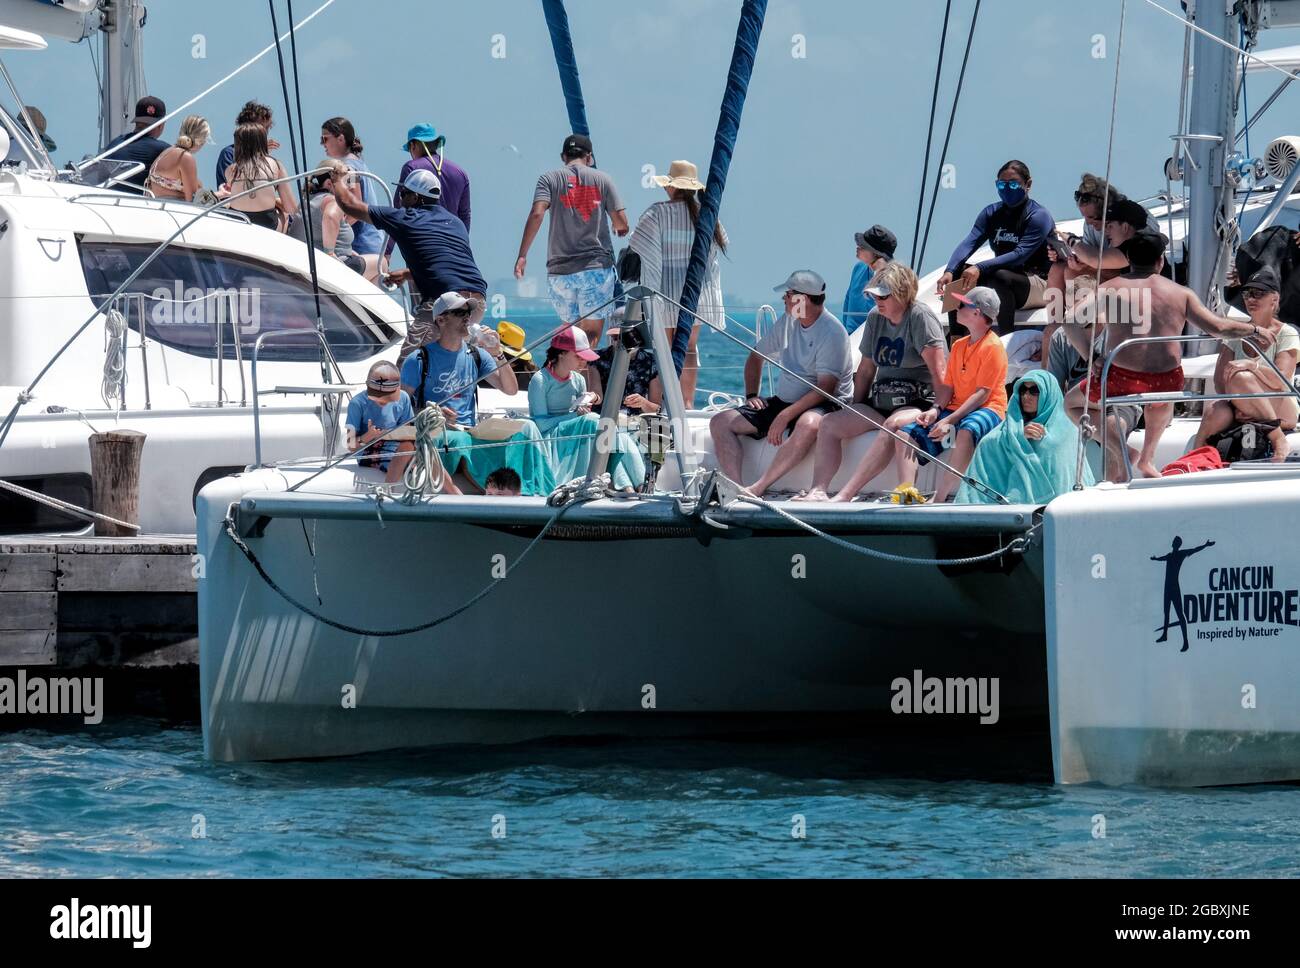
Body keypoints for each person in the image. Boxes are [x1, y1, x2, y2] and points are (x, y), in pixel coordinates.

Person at [1063, 227, 1274, 479]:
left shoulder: (1110, 288)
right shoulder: (1181, 292)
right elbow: (1218, 327)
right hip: (1166, 379)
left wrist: (1091, 358)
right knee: (1162, 398)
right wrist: (1252, 329)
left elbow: (1069, 320)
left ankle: (1122, 450)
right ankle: (1147, 458)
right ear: (1160, 261)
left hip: (1120, 377)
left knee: (1071, 404)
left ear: (1128, 259)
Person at [799, 262, 946, 502]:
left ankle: (846, 494)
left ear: (901, 293)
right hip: (881, 398)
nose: (876, 300)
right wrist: (855, 406)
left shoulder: (920, 317)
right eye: (873, 295)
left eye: (883, 295)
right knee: (829, 424)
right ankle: (818, 490)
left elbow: (939, 372)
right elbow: (866, 369)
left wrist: (937, 409)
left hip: (918, 401)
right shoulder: (875, 317)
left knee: (893, 425)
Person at [708, 270, 853, 496]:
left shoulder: (832, 332)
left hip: (826, 403)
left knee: (808, 423)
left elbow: (826, 389)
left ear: (802, 299)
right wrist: (751, 396)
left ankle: (758, 488)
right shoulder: (788, 320)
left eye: (788, 294)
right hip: (784, 401)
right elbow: (756, 357)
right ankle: (736, 487)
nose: (783, 299)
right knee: (720, 422)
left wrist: (784, 416)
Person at [399, 292, 552, 496]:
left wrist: (497, 352)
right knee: (461, 441)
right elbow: (399, 408)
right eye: (460, 312)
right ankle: (491, 493)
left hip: (471, 429)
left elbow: (510, 389)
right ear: (441, 319)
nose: (467, 317)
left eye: (469, 312)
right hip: (439, 432)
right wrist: (432, 413)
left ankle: (534, 492)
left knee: (525, 429)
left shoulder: (477, 355)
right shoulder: (419, 358)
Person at [332, 168, 487, 361]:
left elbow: (349, 205)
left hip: (447, 302)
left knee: (407, 365)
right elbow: (446, 263)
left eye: (403, 194)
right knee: (443, 360)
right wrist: (407, 274)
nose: (400, 199)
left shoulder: (404, 218)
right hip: (477, 302)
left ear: (415, 198)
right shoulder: (455, 223)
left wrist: (338, 180)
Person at [621, 159, 728, 406]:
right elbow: (719, 244)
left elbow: (637, 243)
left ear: (671, 186)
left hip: (666, 290)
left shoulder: (657, 212)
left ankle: (663, 403)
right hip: (695, 292)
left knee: (665, 350)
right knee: (689, 348)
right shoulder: (707, 215)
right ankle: (687, 402)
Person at [891, 287, 1008, 503]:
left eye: (962, 304)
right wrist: (935, 411)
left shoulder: (993, 346)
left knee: (966, 431)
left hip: (990, 408)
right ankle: (907, 493)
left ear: (977, 312)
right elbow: (948, 387)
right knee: (903, 435)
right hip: (956, 409)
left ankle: (940, 497)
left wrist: (949, 419)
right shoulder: (959, 345)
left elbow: (982, 394)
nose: (957, 308)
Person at [515, 134, 629, 349]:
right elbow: (622, 223)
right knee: (591, 336)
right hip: (595, 268)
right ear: (590, 157)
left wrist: (522, 255)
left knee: (572, 335)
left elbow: (537, 214)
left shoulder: (548, 179)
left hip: (560, 271)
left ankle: (573, 380)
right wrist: (618, 227)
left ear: (563, 156)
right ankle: (586, 381)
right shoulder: (603, 179)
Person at [937, 160, 1055, 336]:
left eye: (1014, 184)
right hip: (1002, 276)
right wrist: (950, 270)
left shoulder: (1038, 216)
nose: (1007, 189)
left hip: (1039, 282)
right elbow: (970, 242)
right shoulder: (991, 213)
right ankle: (956, 342)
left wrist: (980, 267)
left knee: (1000, 277)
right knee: (959, 275)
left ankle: (1006, 341)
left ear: (1028, 184)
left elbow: (1020, 254)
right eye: (1002, 184)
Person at [1192, 266, 1299, 462]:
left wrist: (1253, 366)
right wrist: (1241, 403)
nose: (1251, 299)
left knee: (1241, 375)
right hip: (1242, 404)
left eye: (1258, 293)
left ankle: (1278, 439)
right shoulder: (1235, 335)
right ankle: (1192, 459)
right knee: (1214, 411)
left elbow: (1282, 381)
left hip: (1282, 407)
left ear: (1274, 300)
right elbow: (1219, 381)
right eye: (1247, 293)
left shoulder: (1287, 333)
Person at [529, 326, 647, 491]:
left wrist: (583, 409)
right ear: (561, 353)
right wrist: (576, 416)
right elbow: (541, 426)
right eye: (578, 356)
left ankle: (642, 485)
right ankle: (626, 487)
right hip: (553, 439)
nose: (583, 361)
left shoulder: (578, 379)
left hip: (576, 432)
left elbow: (581, 415)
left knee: (620, 435)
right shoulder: (540, 380)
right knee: (596, 422)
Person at [956, 369, 1094, 504]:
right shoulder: (1012, 424)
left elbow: (1056, 457)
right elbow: (990, 442)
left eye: (1034, 391)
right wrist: (1018, 436)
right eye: (1023, 390)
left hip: (1061, 507)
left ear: (1048, 394)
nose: (1026, 396)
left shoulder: (1067, 428)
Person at [287, 159, 378, 280]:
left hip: (306, 264)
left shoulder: (306, 202)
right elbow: (330, 216)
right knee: (381, 263)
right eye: (345, 184)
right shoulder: (332, 201)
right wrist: (330, 253)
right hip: (330, 266)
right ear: (330, 184)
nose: (348, 189)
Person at [345, 361, 416, 485]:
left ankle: (454, 493)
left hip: (396, 446)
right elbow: (351, 445)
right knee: (407, 449)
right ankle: (389, 489)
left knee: (420, 448)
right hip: (367, 448)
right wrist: (369, 436)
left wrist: (389, 434)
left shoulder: (403, 398)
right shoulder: (356, 404)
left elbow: (408, 432)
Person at [319, 117, 380, 257]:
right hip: (372, 244)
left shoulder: (347, 168)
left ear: (340, 139)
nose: (322, 144)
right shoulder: (358, 163)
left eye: (324, 139)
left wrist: (333, 231)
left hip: (361, 246)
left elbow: (354, 210)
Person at [222, 122, 297, 231]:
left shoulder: (230, 170)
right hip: (267, 225)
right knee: (285, 215)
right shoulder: (276, 165)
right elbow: (291, 208)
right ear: (262, 142)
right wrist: (276, 201)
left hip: (238, 224)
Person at [102, 96, 170, 194]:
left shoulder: (115, 143)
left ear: (137, 121)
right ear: (161, 124)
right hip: (135, 205)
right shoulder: (164, 150)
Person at [842, 224, 896, 335]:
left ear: (875, 253)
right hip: (851, 336)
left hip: (876, 337)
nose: (858, 246)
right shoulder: (858, 268)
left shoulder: (892, 277)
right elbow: (848, 300)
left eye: (863, 245)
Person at [145, 115, 209, 201]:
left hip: (157, 207)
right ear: (201, 140)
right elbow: (193, 200)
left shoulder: (166, 152)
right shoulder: (185, 157)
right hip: (172, 210)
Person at [215, 102, 278, 186]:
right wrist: (258, 154)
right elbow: (233, 187)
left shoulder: (267, 159)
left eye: (267, 128)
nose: (265, 133)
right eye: (262, 128)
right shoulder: (229, 153)